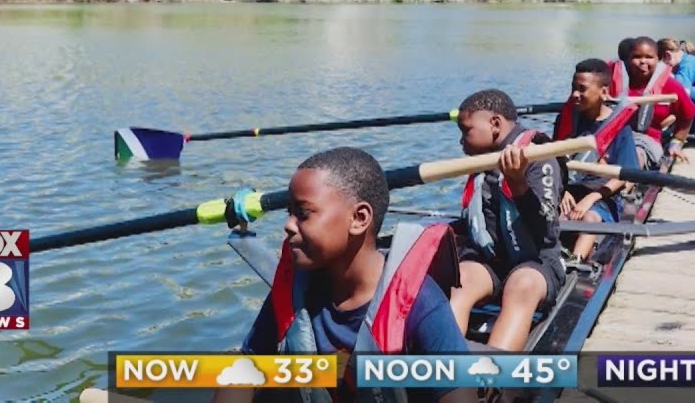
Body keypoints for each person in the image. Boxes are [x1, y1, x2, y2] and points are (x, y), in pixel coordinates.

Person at [217, 147, 474, 403]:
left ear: (359, 219)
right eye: (289, 213)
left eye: (303, 214)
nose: (288, 225)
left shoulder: (421, 303)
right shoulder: (295, 289)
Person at [450, 89, 565, 352]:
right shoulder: (483, 160)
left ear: (495, 124)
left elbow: (547, 231)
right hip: (492, 261)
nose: (461, 141)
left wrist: (518, 183)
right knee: (460, 280)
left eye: (466, 131)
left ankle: (492, 371)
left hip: (537, 261)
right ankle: (443, 367)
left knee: (520, 285)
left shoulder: (539, 155)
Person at [552, 58, 642, 260]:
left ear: (603, 92)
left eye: (582, 89)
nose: (575, 95)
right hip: (568, 190)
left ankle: (576, 262)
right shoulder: (566, 121)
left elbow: (624, 176)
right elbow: (553, 161)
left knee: (590, 217)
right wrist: (561, 190)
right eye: (573, 88)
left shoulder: (620, 128)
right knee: (549, 215)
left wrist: (590, 198)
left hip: (602, 194)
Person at [608, 36, 695, 167]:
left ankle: (623, 178)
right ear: (628, 59)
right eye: (636, 57)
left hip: (645, 140)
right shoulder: (610, 78)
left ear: (658, 59)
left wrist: (676, 142)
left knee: (635, 156)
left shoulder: (670, 84)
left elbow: (688, 115)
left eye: (649, 57)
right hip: (612, 136)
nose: (643, 61)